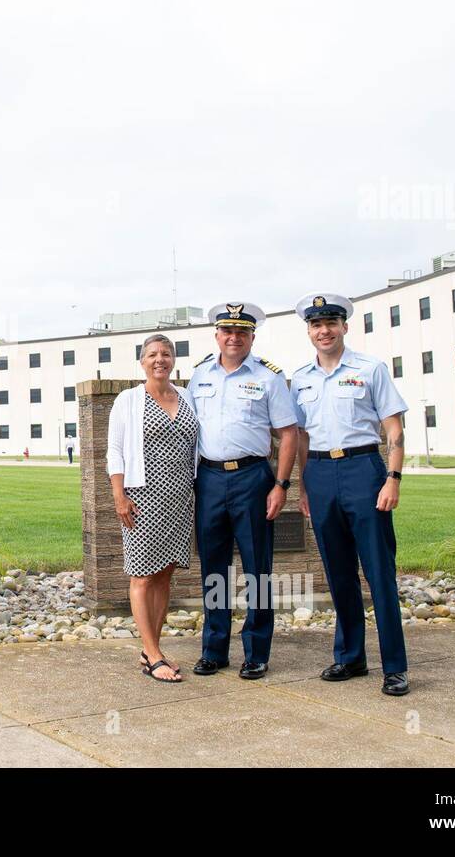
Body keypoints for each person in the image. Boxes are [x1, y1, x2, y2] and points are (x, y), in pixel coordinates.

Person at [290, 293, 410, 696]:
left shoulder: (370, 369)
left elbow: (394, 430)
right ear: (309, 331)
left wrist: (392, 478)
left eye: (331, 323)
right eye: (316, 325)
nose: (324, 331)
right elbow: (302, 437)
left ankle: (394, 666)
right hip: (321, 473)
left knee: (379, 573)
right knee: (338, 573)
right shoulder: (302, 378)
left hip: (363, 470)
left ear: (344, 327)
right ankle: (350, 656)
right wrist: (304, 487)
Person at [190, 303, 299, 680]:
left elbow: (288, 433)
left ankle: (256, 651)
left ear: (252, 336)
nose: (234, 338)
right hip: (209, 478)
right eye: (227, 331)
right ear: (217, 335)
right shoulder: (200, 374)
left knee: (258, 570)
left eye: (242, 332)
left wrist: (281, 486)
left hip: (253, 478)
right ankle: (214, 648)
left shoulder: (269, 377)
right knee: (214, 568)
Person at [107, 334, 199, 682]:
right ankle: (152, 653)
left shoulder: (187, 396)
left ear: (173, 359)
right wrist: (119, 496)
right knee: (142, 574)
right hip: (142, 498)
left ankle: (152, 650)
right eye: (152, 355)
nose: (159, 359)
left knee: (166, 572)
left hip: (179, 498)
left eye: (166, 354)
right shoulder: (128, 400)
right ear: (142, 361)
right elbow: (114, 451)